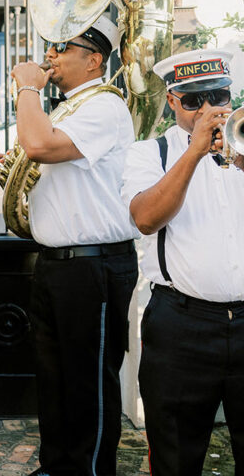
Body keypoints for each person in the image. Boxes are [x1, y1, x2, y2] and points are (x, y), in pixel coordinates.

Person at [10, 15, 138, 476]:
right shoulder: (67, 108)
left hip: (94, 268)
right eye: (51, 46)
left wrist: (27, 89)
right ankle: (56, 466)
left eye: (62, 47)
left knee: (89, 385)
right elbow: (39, 153)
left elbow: (40, 146)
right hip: (56, 264)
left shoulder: (105, 107)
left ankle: (89, 471)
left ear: (94, 59)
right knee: (54, 380)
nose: (50, 55)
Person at [122, 48, 244, 476]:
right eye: (194, 100)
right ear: (172, 100)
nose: (209, 110)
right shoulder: (148, 154)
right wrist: (194, 152)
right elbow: (146, 217)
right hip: (182, 326)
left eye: (219, 96)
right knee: (175, 454)